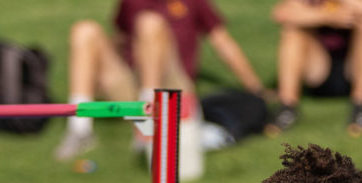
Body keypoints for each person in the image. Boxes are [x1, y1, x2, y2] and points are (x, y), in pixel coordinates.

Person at [52, 0, 269, 173]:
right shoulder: (130, 3)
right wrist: (100, 74)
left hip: (174, 85)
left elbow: (223, 43)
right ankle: (80, 130)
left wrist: (256, 89)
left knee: (150, 23)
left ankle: (148, 123)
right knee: (85, 30)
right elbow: (119, 41)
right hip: (133, 83)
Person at [266, 0, 362, 137]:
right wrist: (327, 16)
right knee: (293, 30)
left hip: (354, 67)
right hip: (319, 66)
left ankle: (360, 107)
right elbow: (280, 14)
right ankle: (287, 108)